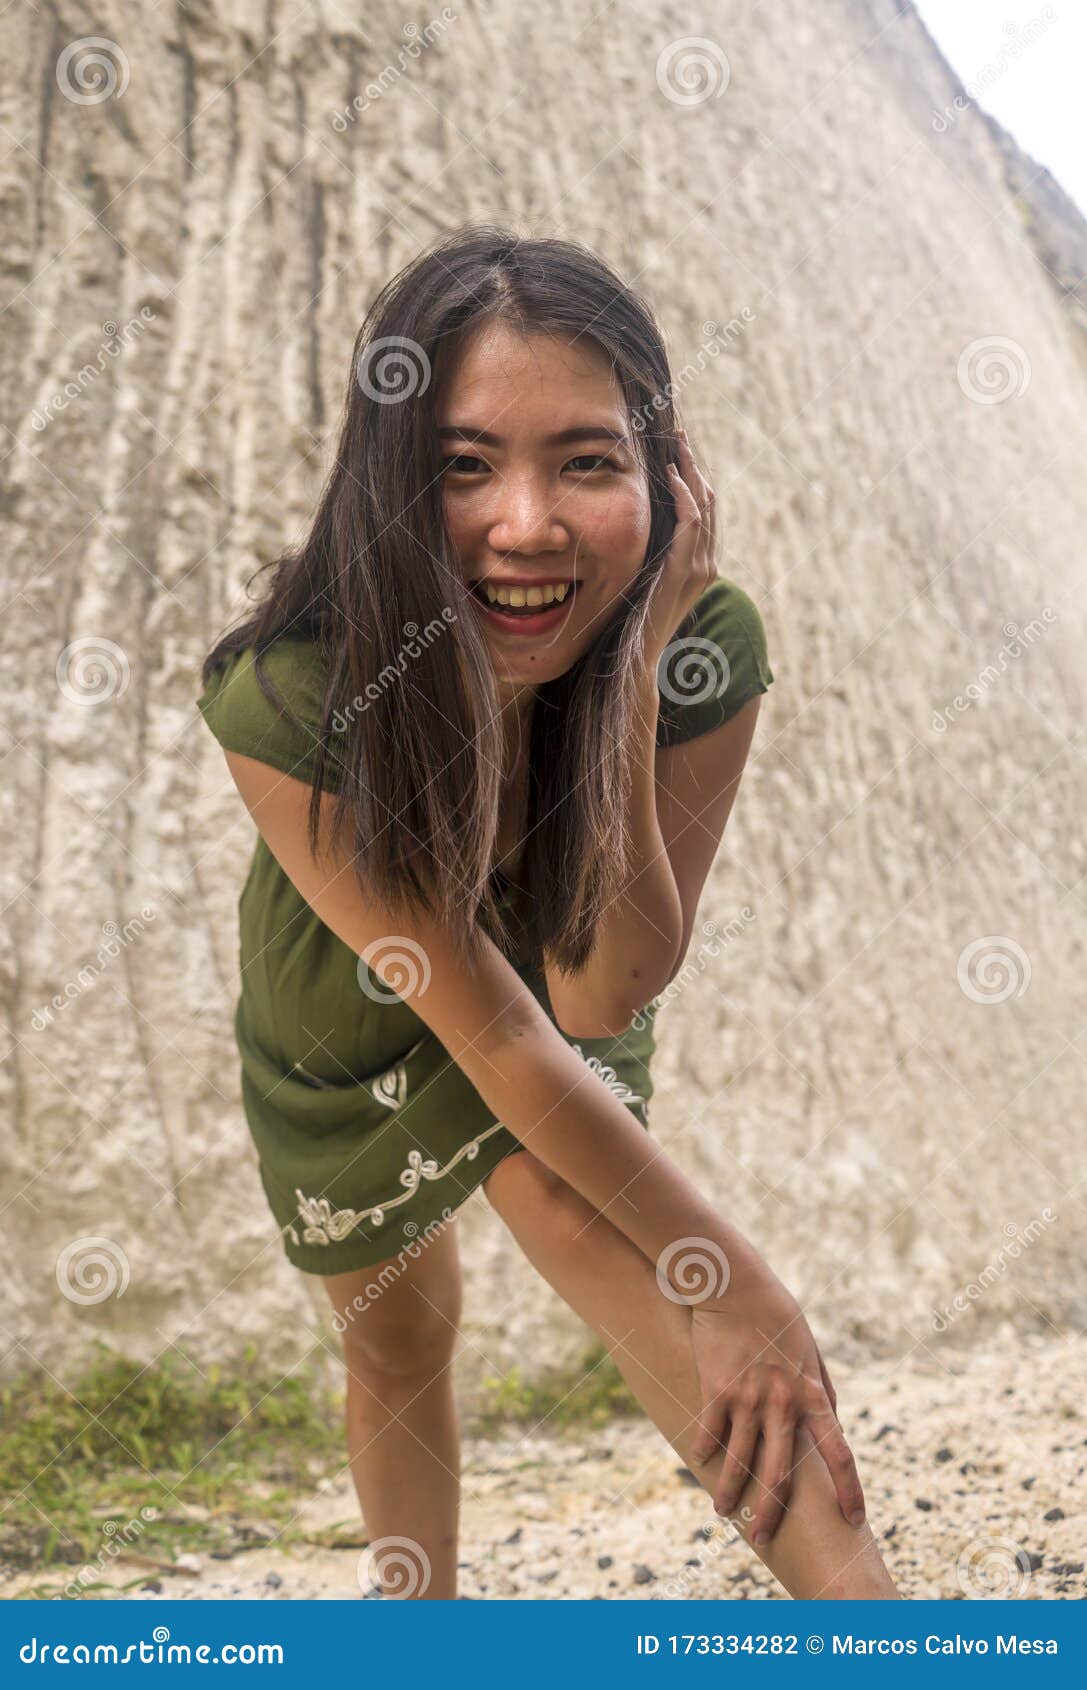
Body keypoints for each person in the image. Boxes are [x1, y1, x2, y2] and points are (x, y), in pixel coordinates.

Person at [196, 225, 900, 1601]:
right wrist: (742, 1274)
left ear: (668, 479)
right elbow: (503, 1041)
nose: (527, 524)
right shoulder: (287, 699)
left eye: (589, 459)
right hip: (354, 1011)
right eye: (464, 466)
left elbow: (596, 994)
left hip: (548, 968)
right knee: (400, 1338)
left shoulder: (705, 651)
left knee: (596, 1217)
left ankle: (877, 1631)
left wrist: (633, 669)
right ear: (390, 482)